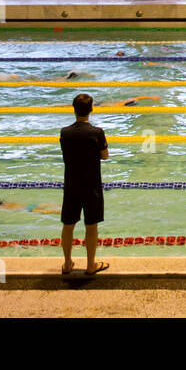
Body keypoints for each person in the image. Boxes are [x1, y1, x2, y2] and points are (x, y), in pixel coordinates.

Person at [59, 93, 109, 276]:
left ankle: (66, 264)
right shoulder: (97, 132)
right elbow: (105, 155)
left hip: (71, 184)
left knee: (68, 224)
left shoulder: (65, 132)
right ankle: (90, 265)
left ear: (74, 109)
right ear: (91, 109)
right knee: (91, 225)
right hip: (91, 185)